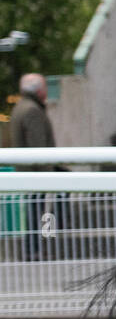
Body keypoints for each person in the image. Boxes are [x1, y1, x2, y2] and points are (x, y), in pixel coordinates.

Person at [9, 73, 59, 262]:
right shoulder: (32, 111)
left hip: (27, 173)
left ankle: (33, 250)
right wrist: (49, 173)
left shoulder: (20, 108)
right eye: (45, 87)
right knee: (36, 213)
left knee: (33, 212)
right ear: (39, 90)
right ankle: (34, 250)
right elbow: (38, 146)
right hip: (36, 174)